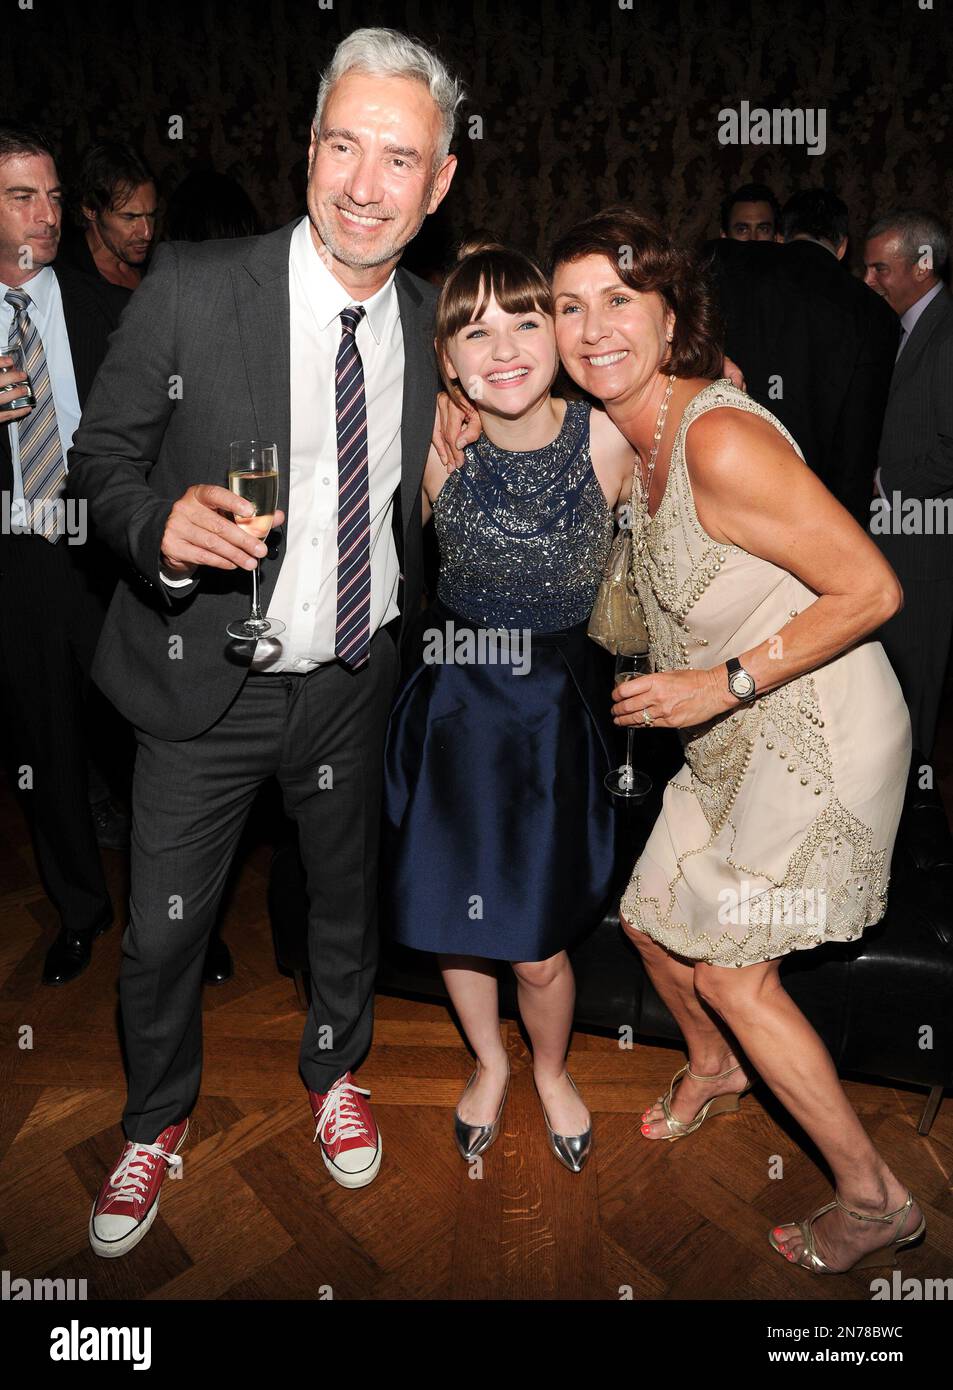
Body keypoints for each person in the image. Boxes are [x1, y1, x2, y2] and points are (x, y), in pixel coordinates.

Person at [67, 26, 461, 1258]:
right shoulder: (192, 285)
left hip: (356, 682)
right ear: (305, 154)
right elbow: (96, 470)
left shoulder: (440, 318)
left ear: (437, 183)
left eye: (397, 158)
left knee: (343, 905)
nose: (361, 182)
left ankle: (333, 1071)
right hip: (205, 687)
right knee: (168, 928)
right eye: (342, 145)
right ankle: (153, 1119)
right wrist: (159, 529)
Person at [548, 206, 923, 1276]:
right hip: (724, 738)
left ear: (672, 319)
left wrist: (720, 680)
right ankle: (713, 1069)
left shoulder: (712, 434)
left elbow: (872, 586)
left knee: (734, 974)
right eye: (571, 306)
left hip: (814, 730)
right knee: (654, 921)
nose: (593, 327)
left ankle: (874, 1198)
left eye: (619, 300)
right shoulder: (633, 419)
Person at [383, 243, 636, 1171]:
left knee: (534, 946)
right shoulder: (430, 444)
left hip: (555, 722)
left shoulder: (612, 437)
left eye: (526, 319)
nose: (504, 348)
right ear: (444, 358)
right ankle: (487, 1060)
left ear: (558, 333)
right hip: (453, 712)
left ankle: (552, 1070)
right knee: (457, 918)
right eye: (473, 329)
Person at [0, 123, 130, 985]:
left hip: (104, 551)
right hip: (13, 561)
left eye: (52, 196)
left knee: (140, 739)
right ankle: (80, 911)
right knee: (44, 747)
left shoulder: (106, 306)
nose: (46, 216)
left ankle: (179, 912)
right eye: (22, 196)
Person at [705, 189, 899, 525]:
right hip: (812, 509)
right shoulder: (876, 315)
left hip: (720, 491)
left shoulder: (726, 265)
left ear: (783, 236)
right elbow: (857, 449)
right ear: (842, 247)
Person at [864, 209, 953, 839]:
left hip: (925, 534)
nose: (869, 280)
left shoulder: (947, 331)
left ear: (923, 266)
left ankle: (914, 803)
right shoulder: (902, 328)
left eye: (881, 268)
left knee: (918, 664)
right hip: (894, 529)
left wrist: (888, 485)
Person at [58, 143, 158, 291]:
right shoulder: (65, 280)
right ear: (90, 209)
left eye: (151, 215)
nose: (147, 233)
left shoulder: (157, 270)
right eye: (130, 217)